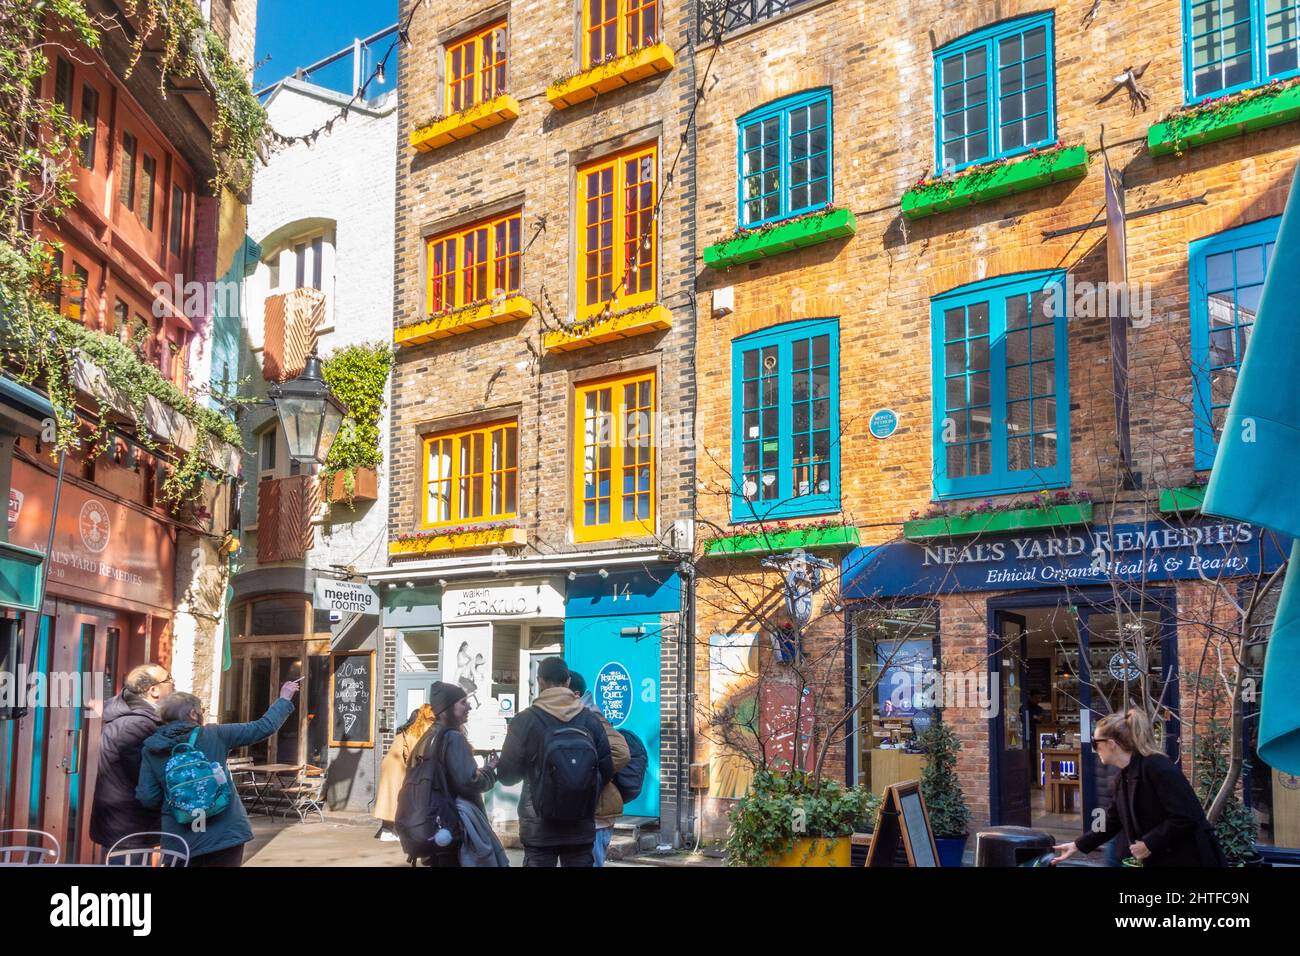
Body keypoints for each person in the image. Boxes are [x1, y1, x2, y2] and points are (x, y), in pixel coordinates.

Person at [136, 681, 298, 867]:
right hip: (225, 834)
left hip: (180, 840)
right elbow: (262, 727)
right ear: (192, 714)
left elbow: (148, 797)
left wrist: (181, 802)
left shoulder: (151, 748)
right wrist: (284, 698)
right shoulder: (215, 734)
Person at [1053, 709, 1226, 867]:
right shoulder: (1123, 777)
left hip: (1191, 859)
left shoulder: (1157, 766)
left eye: (1095, 742)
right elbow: (1112, 821)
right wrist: (1077, 844)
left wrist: (1149, 843)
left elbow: (1186, 816)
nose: (1094, 748)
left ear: (1111, 743)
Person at [494, 656, 613, 867]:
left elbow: (507, 776)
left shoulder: (525, 720)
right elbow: (606, 769)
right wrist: (579, 788)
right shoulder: (590, 720)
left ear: (540, 681)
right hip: (580, 822)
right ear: (568, 682)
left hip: (538, 824)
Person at [90, 664, 175, 855]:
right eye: (169, 680)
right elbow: (147, 775)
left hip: (128, 825)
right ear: (153, 690)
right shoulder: (135, 725)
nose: (173, 685)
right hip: (128, 829)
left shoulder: (136, 719)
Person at [418, 682, 503, 867]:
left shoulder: (429, 736)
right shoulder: (453, 738)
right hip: (456, 822)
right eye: (463, 702)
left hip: (435, 820)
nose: (469, 706)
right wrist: (489, 769)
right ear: (447, 709)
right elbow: (468, 782)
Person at [568, 670, 629, 867]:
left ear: (575, 694)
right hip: (585, 812)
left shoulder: (591, 716)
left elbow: (621, 753)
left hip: (597, 814)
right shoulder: (576, 715)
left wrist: (588, 776)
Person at [373, 703, 436, 842]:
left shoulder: (408, 728)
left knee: (391, 798)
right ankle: (387, 831)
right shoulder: (418, 730)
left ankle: (390, 829)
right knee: (395, 799)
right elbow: (413, 753)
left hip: (392, 764)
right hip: (397, 767)